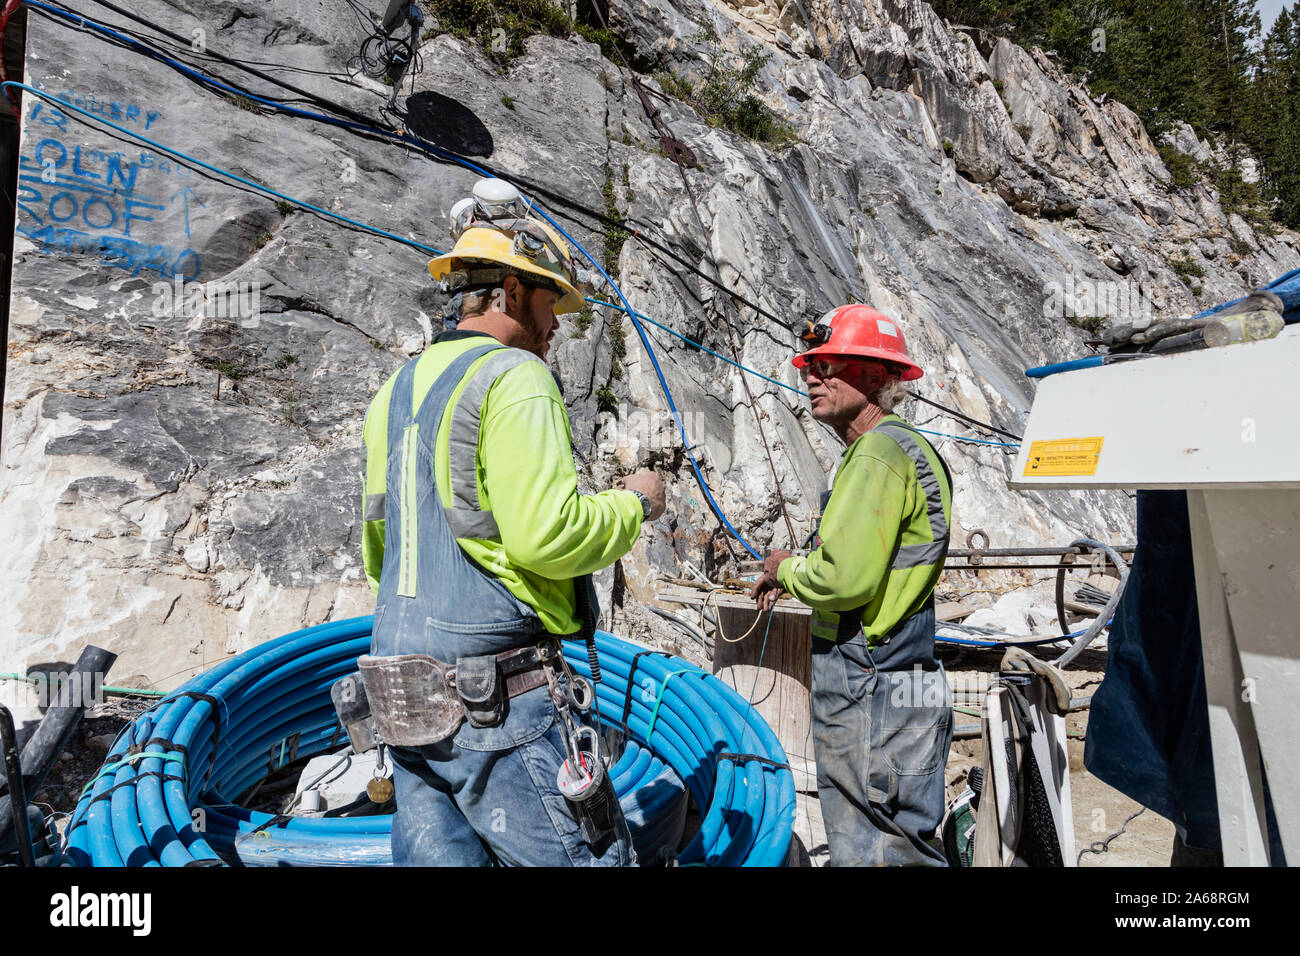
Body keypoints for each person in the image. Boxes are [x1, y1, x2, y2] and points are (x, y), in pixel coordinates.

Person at [359, 179, 665, 866]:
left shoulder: (397, 389)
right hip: (491, 700)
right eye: (553, 301)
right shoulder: (516, 375)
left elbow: (379, 548)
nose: (558, 323)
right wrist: (636, 502)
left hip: (399, 691)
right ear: (515, 292)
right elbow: (548, 536)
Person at [750, 304, 954, 866]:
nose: (810, 377)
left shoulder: (877, 455)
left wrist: (786, 569)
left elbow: (843, 578)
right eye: (808, 368)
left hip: (867, 679)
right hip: (905, 672)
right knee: (901, 837)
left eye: (828, 365)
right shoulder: (912, 449)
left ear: (871, 374)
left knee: (867, 842)